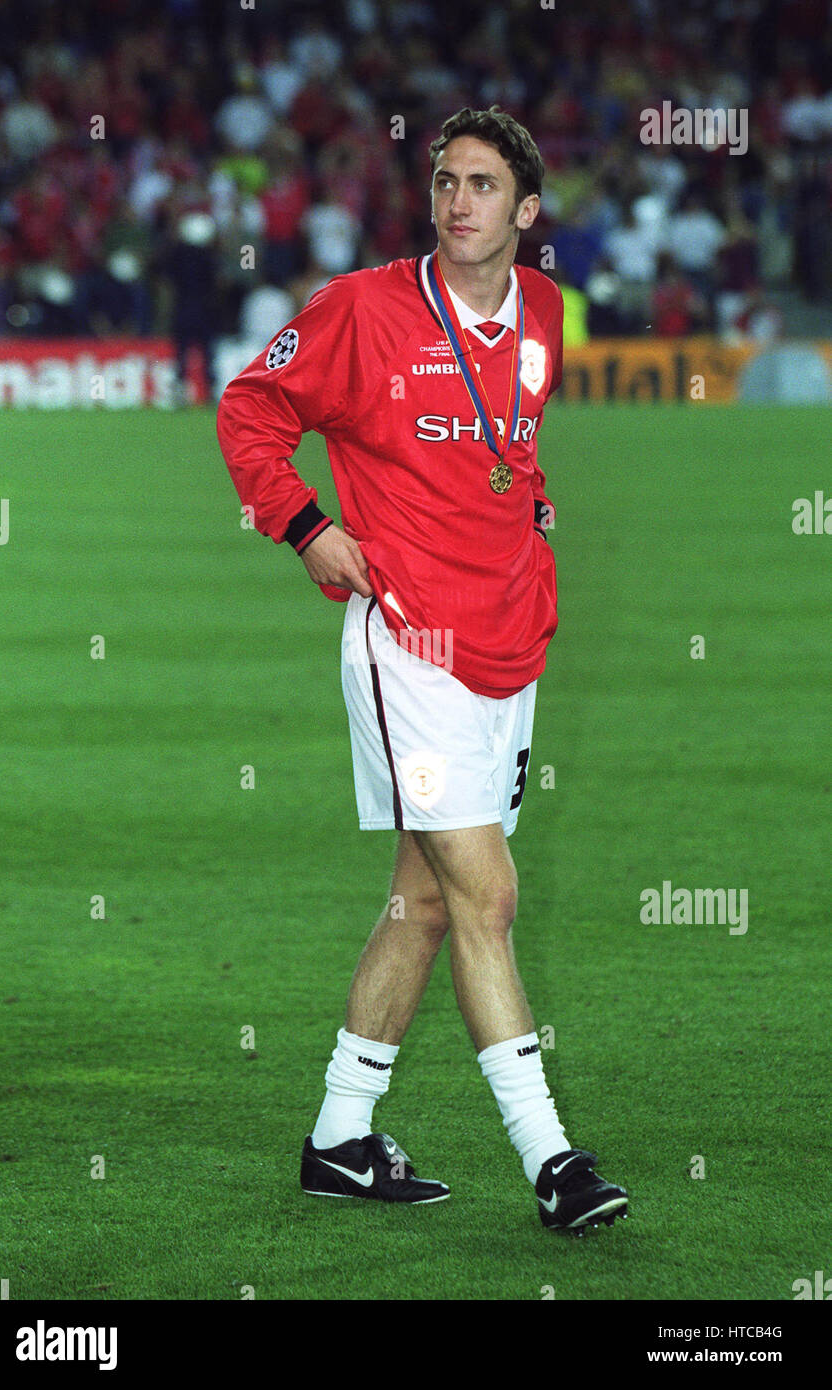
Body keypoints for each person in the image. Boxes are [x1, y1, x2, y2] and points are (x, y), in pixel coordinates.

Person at [216, 106, 628, 1235]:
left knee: (425, 902)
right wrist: (305, 527)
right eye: (445, 179)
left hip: (509, 645)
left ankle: (340, 1140)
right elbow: (250, 408)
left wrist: (531, 509)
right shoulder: (361, 310)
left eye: (482, 185)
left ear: (525, 212)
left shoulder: (541, 312)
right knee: (487, 896)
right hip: (408, 648)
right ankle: (552, 1161)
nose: (457, 201)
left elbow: (513, 436)